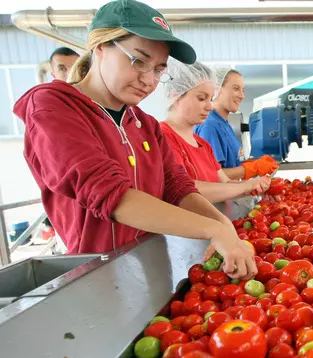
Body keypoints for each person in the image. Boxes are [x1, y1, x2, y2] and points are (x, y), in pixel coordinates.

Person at [14, 0, 257, 279]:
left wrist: (223, 225)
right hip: (94, 274)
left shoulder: (144, 124)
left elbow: (178, 188)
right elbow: (110, 194)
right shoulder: (53, 107)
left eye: (158, 69)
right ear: (101, 48)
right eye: (139, 61)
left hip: (150, 264)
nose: (149, 79)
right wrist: (213, 229)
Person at [162, 59, 277, 202]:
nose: (209, 107)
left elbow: (225, 183)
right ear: (176, 95)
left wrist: (256, 188)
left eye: (210, 99)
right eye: (201, 98)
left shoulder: (203, 145)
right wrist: (247, 183)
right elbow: (183, 189)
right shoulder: (163, 138)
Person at [195, 68, 251, 171]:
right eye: (236, 89)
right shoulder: (210, 125)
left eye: (243, 90)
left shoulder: (223, 123)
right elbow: (214, 176)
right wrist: (250, 169)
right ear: (217, 89)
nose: (242, 96)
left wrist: (253, 163)